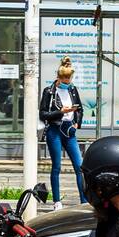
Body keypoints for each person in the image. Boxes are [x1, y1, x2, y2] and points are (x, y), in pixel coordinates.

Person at [39, 56, 86, 209]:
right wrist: (61, 112)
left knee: (80, 166)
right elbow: (43, 114)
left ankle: (84, 200)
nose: (67, 82)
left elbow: (79, 109)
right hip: (55, 130)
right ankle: (57, 201)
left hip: (69, 130)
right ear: (58, 77)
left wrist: (77, 123)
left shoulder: (72, 89)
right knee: (57, 166)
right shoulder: (49, 91)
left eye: (69, 79)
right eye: (64, 80)